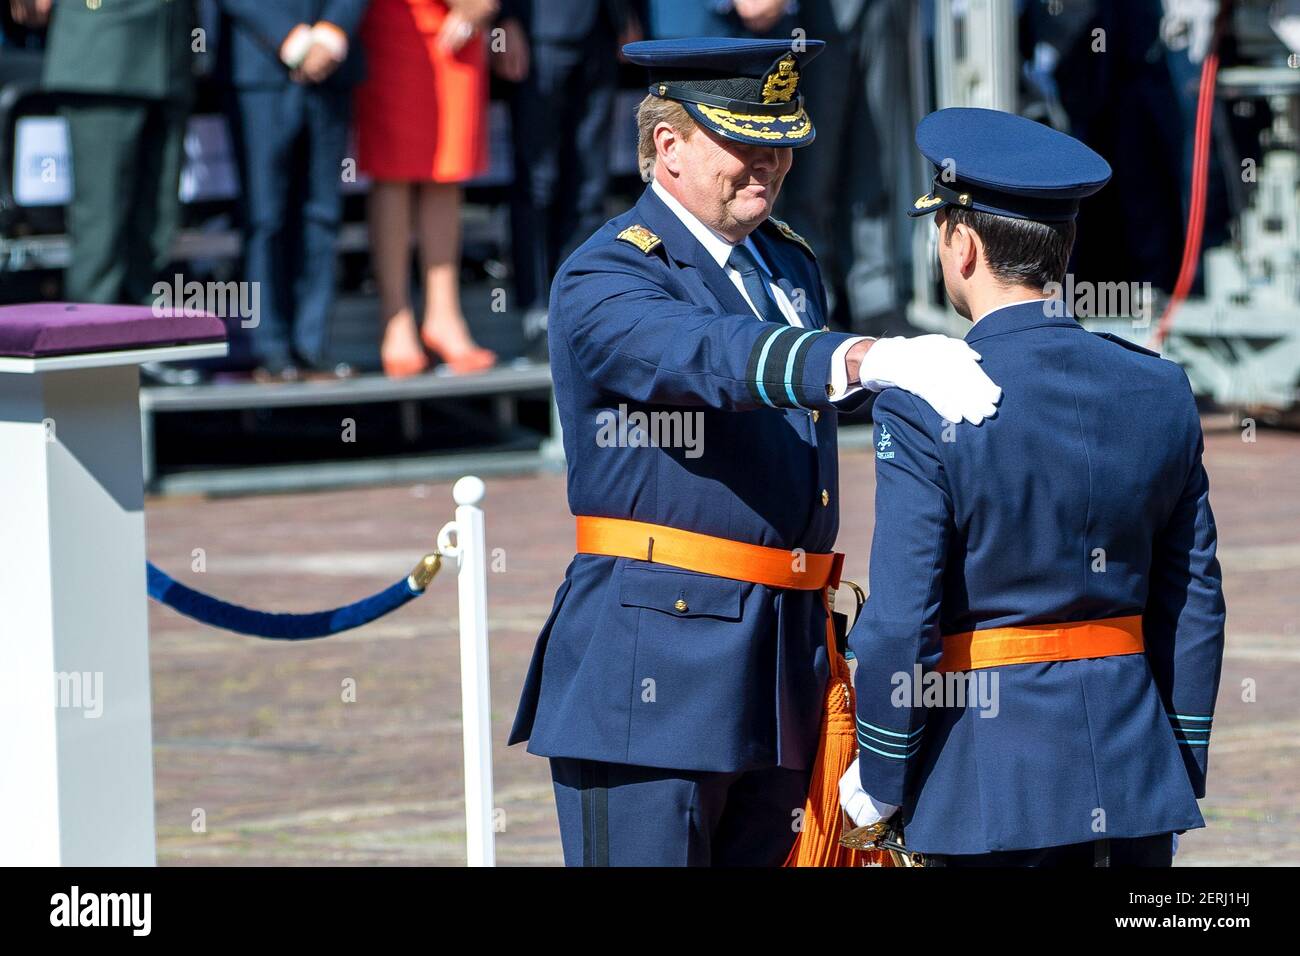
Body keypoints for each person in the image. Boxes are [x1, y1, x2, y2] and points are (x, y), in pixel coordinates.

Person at [506, 38, 1001, 867]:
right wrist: (862, 358)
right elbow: (706, 355)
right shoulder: (607, 274)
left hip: (782, 656)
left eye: (781, 144)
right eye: (744, 142)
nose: (768, 163)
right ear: (669, 146)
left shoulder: (788, 261)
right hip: (654, 663)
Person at [839, 107, 1227, 867]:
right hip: (1135, 774)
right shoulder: (1159, 388)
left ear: (963, 244)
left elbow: (902, 621)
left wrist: (882, 773)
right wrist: (1175, 760)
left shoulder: (924, 401)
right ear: (1066, 245)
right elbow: (1194, 600)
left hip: (986, 783)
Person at [215, 1, 368, 381]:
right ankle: (270, 347)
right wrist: (291, 38)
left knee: (322, 214)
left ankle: (312, 344)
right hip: (260, 66)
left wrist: (332, 32)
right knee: (265, 216)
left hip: (332, 69)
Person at [355, 0, 500, 378]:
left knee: (448, 167)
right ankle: (396, 318)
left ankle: (443, 315)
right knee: (393, 168)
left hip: (461, 26)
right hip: (402, 18)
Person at [40, 0, 194, 306]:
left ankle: (148, 340)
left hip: (170, 47)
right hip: (102, 47)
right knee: (100, 237)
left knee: (158, 229)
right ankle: (92, 340)